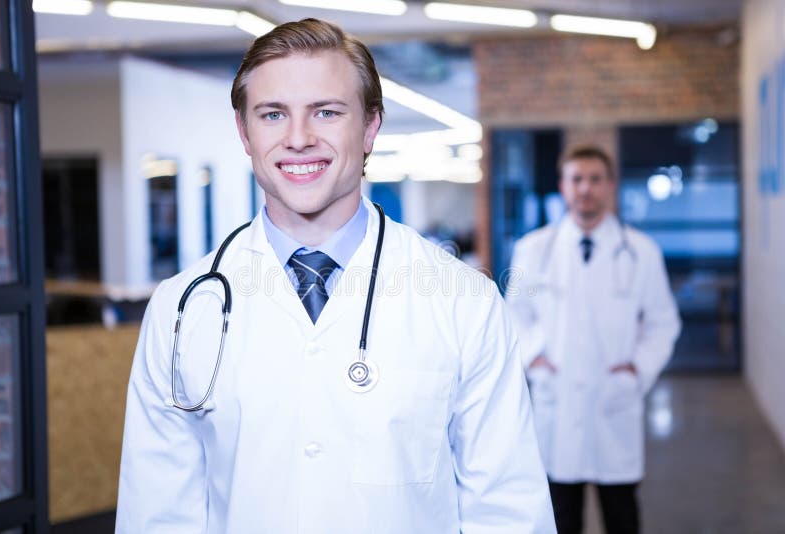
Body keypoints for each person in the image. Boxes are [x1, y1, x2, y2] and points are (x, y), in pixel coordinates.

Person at [116, 18, 555, 533]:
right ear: (244, 132)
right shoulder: (181, 308)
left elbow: (507, 511)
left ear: (370, 126)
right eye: (273, 114)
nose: (298, 139)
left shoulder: (464, 301)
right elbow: (158, 514)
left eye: (326, 111)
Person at [506, 146, 681, 534]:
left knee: (622, 517)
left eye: (595, 179)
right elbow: (513, 313)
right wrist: (534, 357)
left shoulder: (641, 251)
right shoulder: (532, 249)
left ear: (610, 186)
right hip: (558, 401)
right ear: (563, 187)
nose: (586, 188)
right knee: (560, 517)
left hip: (613, 403)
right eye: (576, 179)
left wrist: (639, 368)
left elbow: (663, 322)